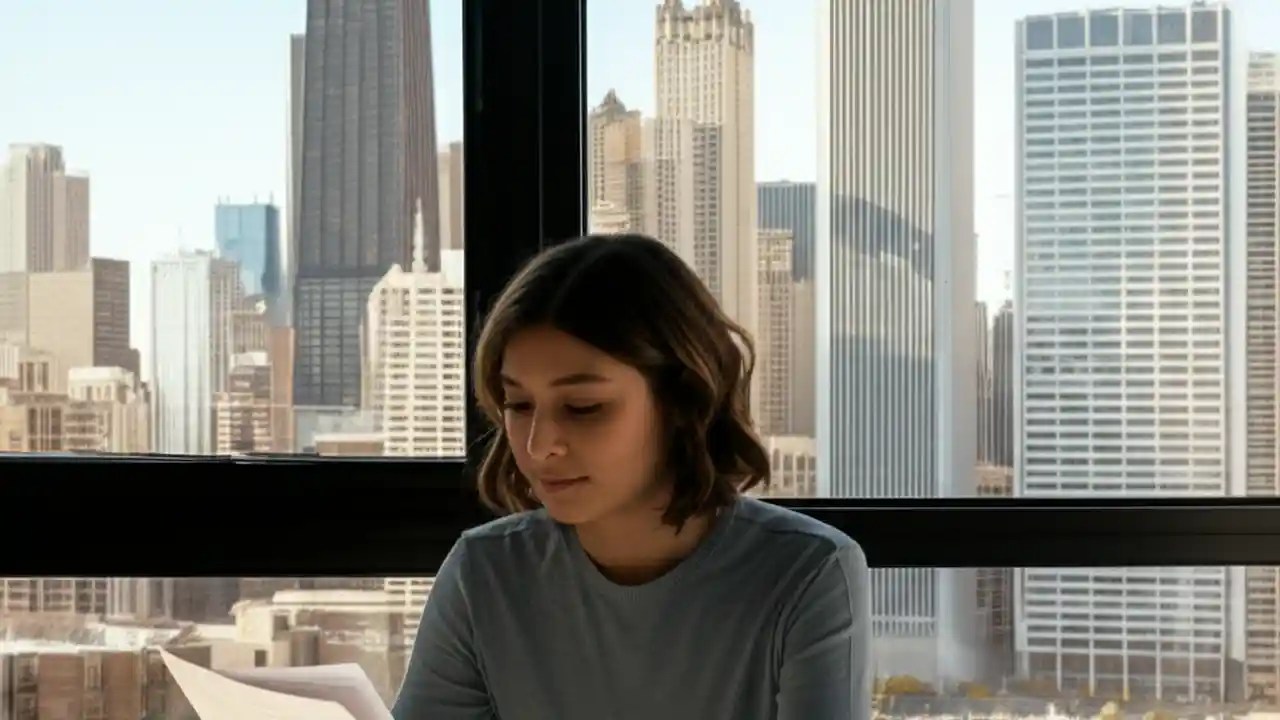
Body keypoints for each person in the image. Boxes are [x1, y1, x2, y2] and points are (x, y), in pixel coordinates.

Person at [392, 234, 871, 720]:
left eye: (583, 408)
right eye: (518, 404)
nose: (538, 445)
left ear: (681, 401)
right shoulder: (484, 573)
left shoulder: (806, 574)